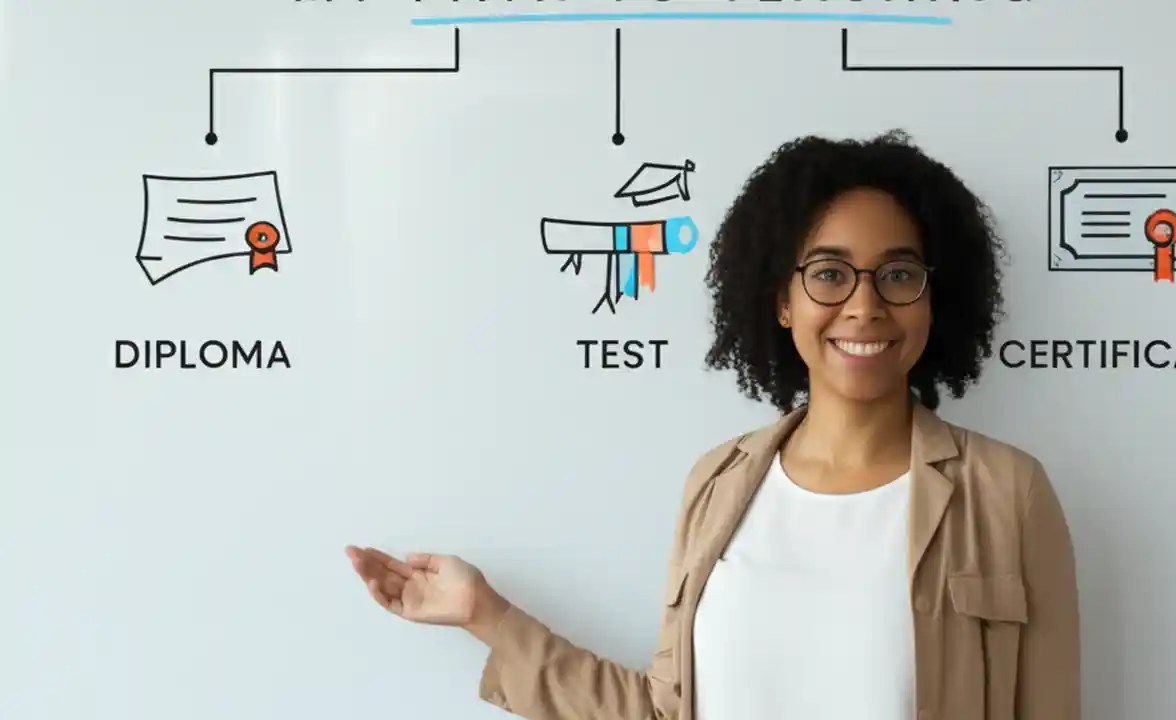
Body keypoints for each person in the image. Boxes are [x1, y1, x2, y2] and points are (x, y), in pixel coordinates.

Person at [345, 130, 1081, 720]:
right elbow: (669, 711)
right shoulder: (719, 483)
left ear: (932, 299)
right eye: (829, 272)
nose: (864, 305)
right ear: (782, 301)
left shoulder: (1006, 493)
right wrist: (487, 615)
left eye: (898, 274)